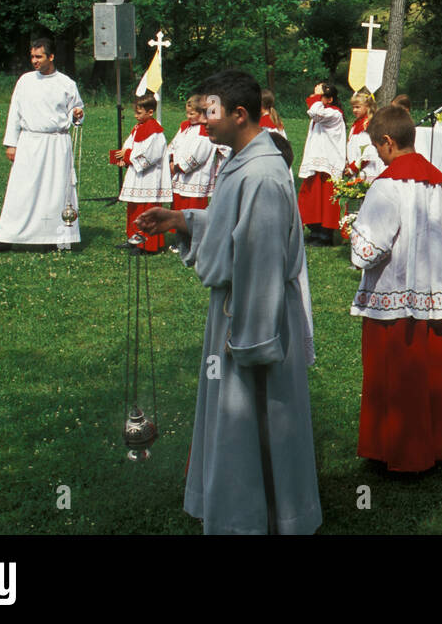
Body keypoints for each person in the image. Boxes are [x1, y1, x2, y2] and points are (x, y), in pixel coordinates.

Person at [135, 69, 322, 535]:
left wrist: (255, 343)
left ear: (240, 114)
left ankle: (252, 519)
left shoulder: (260, 173)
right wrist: (182, 218)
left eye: (210, 113)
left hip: (253, 322)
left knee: (253, 421)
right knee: (242, 422)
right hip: (236, 312)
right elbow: (229, 225)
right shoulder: (245, 159)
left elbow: (259, 261)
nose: (202, 122)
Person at [349, 105, 442, 472]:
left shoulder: (386, 185)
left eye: (377, 148)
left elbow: (369, 250)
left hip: (393, 299)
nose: (378, 157)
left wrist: (352, 231)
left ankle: (393, 450)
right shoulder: (441, 180)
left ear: (387, 141)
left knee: (392, 380)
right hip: (433, 296)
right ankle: (432, 448)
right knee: (427, 377)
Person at [0, 37, 85, 254]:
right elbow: (15, 112)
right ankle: (5, 239)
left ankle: (56, 239)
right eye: (32, 56)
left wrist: (77, 115)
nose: (34, 61)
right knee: (20, 191)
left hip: (57, 143)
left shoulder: (66, 84)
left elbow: (76, 112)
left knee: (56, 191)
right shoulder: (25, 81)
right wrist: (11, 144)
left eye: (39, 56)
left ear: (51, 56)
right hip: (30, 141)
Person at [116, 92, 172, 253]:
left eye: (139, 113)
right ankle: (133, 239)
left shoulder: (155, 132)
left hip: (149, 177)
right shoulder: (138, 128)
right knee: (134, 208)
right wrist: (122, 156)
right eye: (135, 112)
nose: (135, 116)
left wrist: (127, 156)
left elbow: (150, 156)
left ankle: (148, 244)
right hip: (136, 175)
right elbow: (129, 146)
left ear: (150, 112)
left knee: (146, 210)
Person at [297, 81, 346, 245]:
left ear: (330, 99)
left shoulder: (334, 114)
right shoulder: (322, 111)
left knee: (326, 200)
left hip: (328, 163)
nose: (316, 98)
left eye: (320, 96)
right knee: (312, 199)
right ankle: (315, 230)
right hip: (316, 162)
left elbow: (315, 113)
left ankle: (326, 234)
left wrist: (315, 98)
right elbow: (315, 112)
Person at [169, 95, 217, 213]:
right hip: (179, 175)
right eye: (187, 113)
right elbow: (173, 145)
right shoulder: (185, 127)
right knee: (178, 206)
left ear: (202, 113)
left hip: (195, 176)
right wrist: (170, 160)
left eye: (191, 114)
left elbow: (200, 154)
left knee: (193, 209)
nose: (188, 116)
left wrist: (179, 167)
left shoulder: (204, 130)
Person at [345, 90, 384, 181]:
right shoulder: (357, 123)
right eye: (353, 107)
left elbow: (368, 152)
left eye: (358, 107)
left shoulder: (368, 125)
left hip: (367, 169)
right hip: (356, 167)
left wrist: (353, 168)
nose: (354, 110)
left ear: (367, 107)